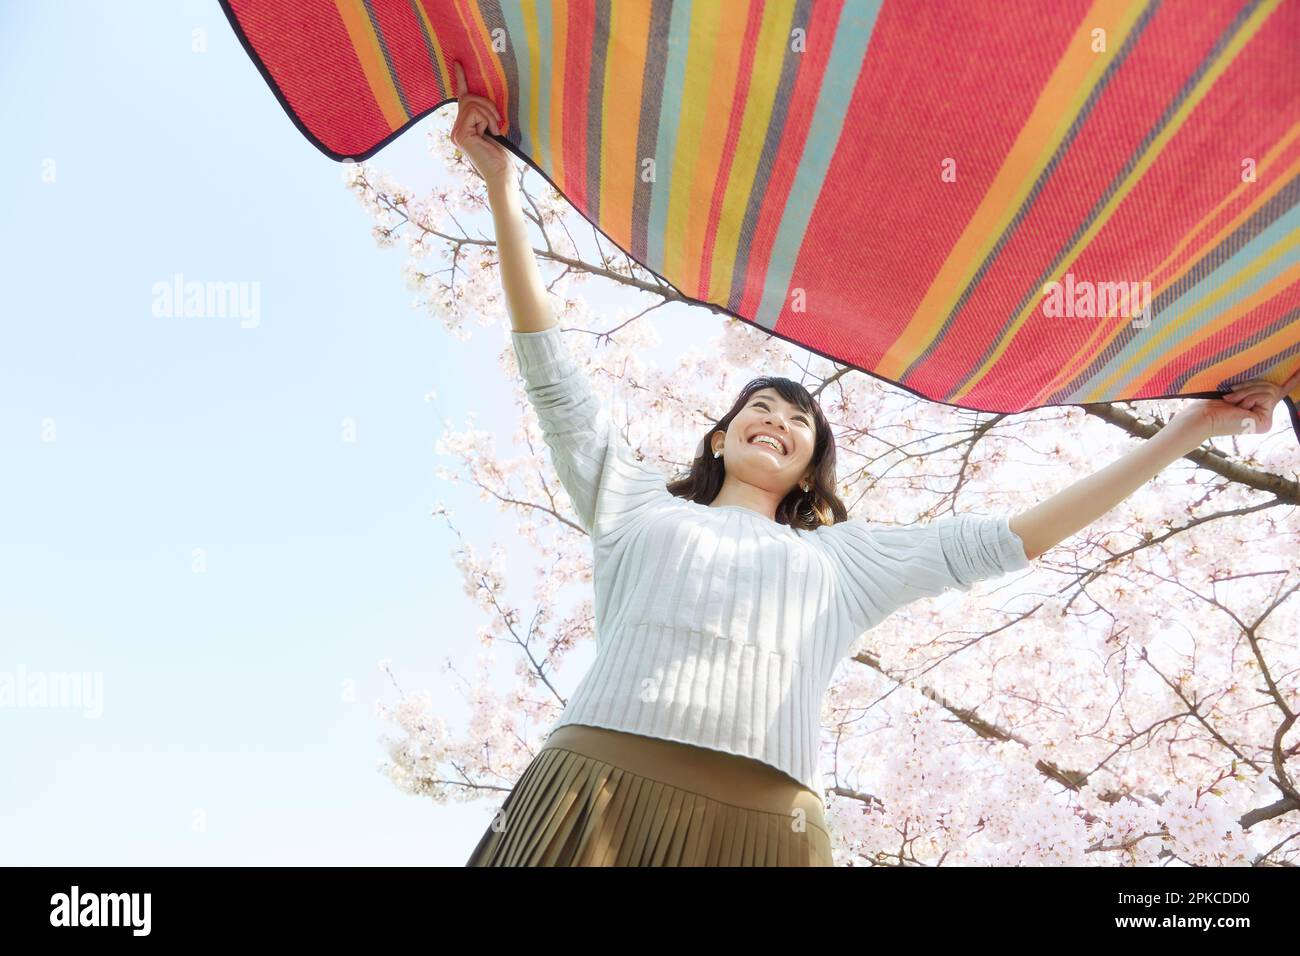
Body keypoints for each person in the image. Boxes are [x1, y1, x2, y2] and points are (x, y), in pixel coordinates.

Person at [446, 62, 1299, 867]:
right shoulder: (633, 503)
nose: (777, 421)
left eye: (798, 420)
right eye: (759, 409)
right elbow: (551, 370)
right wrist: (500, 188)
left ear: (813, 463)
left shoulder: (845, 562)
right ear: (718, 438)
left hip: (767, 826)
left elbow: (1010, 539)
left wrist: (1186, 431)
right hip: (592, 784)